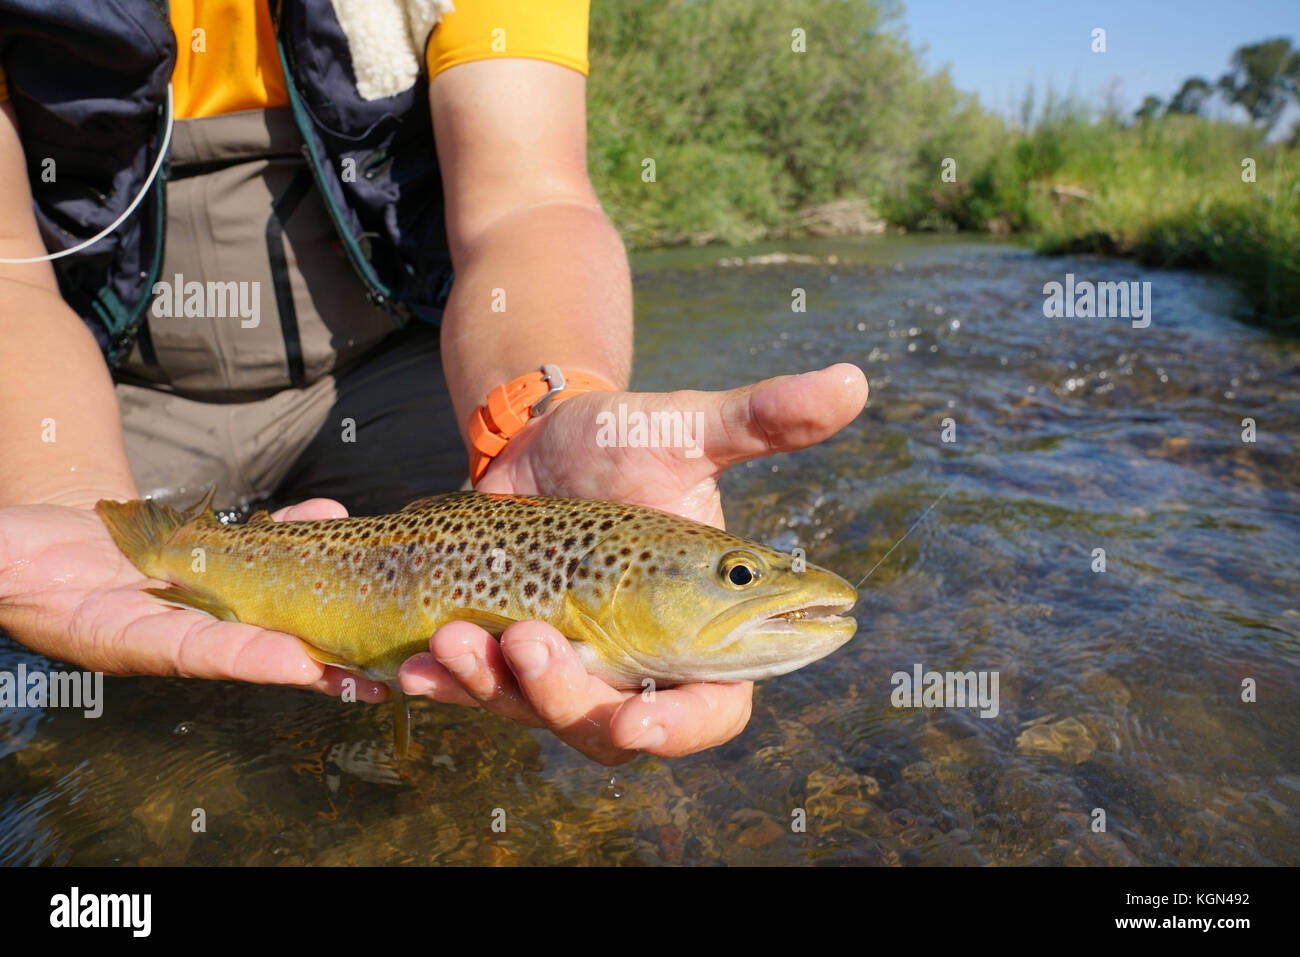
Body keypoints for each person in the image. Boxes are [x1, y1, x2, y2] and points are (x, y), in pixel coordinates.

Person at [0, 0, 868, 765]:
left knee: (475, 726)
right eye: (741, 577)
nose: (760, 585)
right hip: (104, 366)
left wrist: (543, 412)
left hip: (396, 355)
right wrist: (63, 487)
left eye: (739, 576)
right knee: (102, 683)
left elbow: (527, 204)